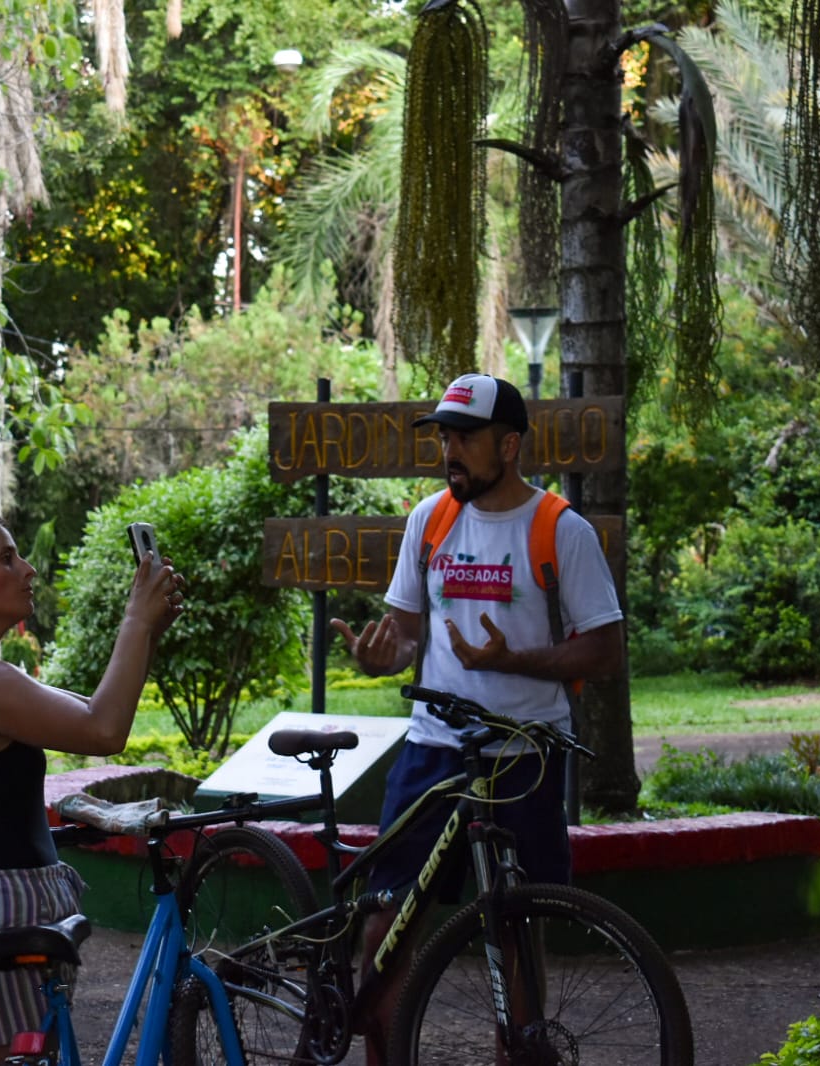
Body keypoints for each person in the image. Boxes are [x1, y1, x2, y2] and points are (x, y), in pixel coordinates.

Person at [330, 373, 624, 1064]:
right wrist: (382, 657)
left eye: (464, 438)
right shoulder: (429, 519)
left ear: (510, 444)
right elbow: (406, 631)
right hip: (433, 751)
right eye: (443, 437)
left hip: (525, 757)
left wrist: (511, 660)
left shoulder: (559, 529)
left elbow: (605, 649)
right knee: (387, 926)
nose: (449, 451)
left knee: (518, 933)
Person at [0, 503, 184, 1066]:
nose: (28, 568)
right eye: (6, 557)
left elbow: (93, 710)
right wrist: (134, 621)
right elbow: (104, 731)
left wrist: (148, 633)